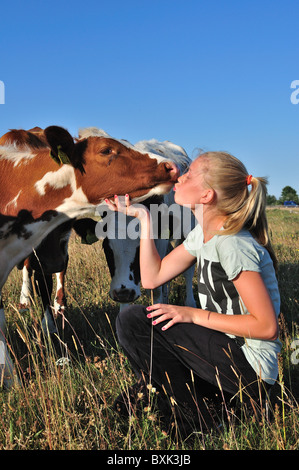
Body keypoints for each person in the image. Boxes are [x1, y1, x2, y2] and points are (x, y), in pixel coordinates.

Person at [105, 151, 281, 434]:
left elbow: (267, 326)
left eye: (190, 174)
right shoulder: (203, 235)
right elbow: (152, 278)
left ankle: (198, 418)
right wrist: (144, 218)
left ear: (207, 196)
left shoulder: (233, 244)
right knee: (137, 327)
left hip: (250, 372)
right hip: (222, 356)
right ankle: (200, 402)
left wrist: (192, 315)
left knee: (134, 321)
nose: (180, 175)